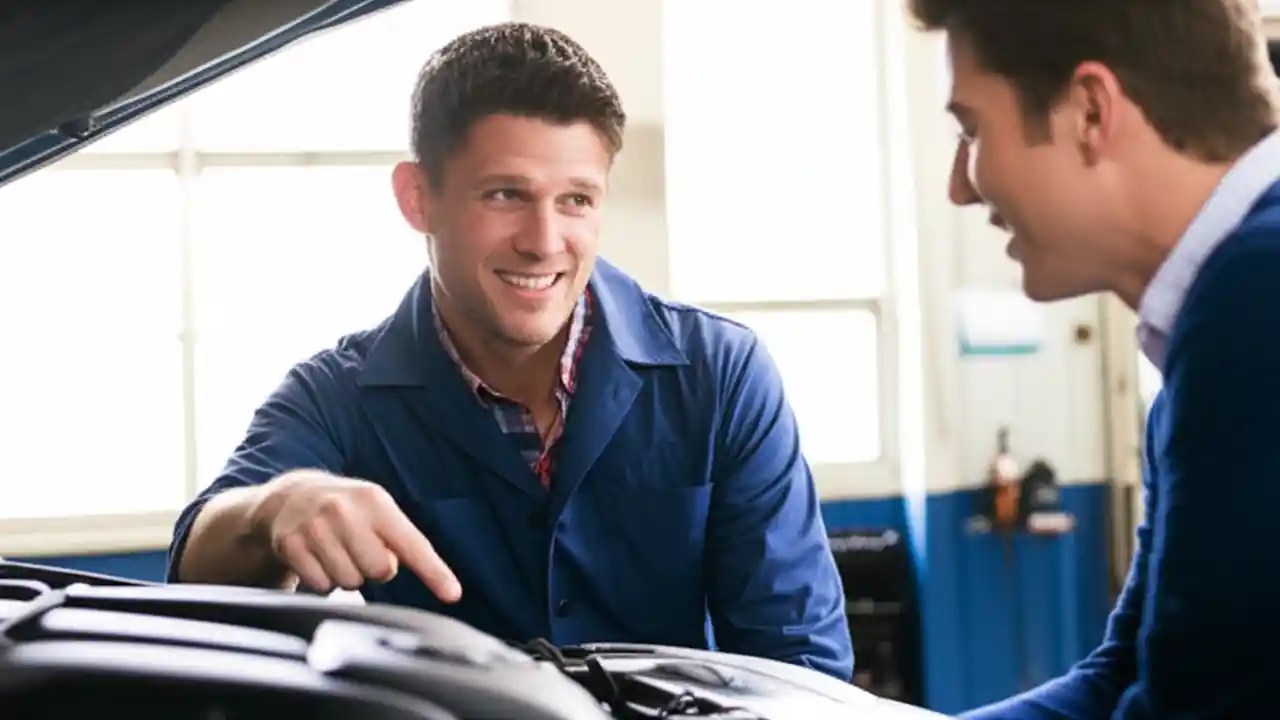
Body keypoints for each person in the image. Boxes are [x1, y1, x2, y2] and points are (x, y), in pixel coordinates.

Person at [167, 21, 853, 680]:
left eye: (577, 200)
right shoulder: (338, 396)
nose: (544, 240)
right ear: (417, 199)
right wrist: (274, 508)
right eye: (505, 195)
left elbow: (801, 665)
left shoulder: (721, 376)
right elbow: (196, 572)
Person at [908, 0, 1280, 717]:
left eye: (971, 130)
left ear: (1088, 111)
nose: (960, 185)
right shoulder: (1207, 333)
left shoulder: (1257, 296)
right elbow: (1127, 675)